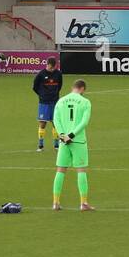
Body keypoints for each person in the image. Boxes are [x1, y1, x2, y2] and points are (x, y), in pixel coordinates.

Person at [52, 80, 94, 211]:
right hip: (78, 140)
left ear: (72, 88)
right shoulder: (85, 102)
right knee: (81, 170)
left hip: (63, 141)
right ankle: (83, 203)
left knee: (60, 170)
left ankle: (55, 202)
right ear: (83, 89)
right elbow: (84, 122)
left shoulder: (60, 101)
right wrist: (72, 135)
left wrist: (63, 135)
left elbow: (56, 120)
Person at [32, 57, 63, 152]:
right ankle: (41, 145)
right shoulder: (41, 74)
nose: (53, 69)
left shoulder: (58, 74)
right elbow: (35, 87)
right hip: (44, 102)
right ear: (47, 64)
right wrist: (42, 95)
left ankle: (56, 144)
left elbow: (60, 85)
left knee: (55, 123)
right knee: (42, 123)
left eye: (54, 67)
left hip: (55, 101)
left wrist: (54, 94)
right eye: (51, 67)